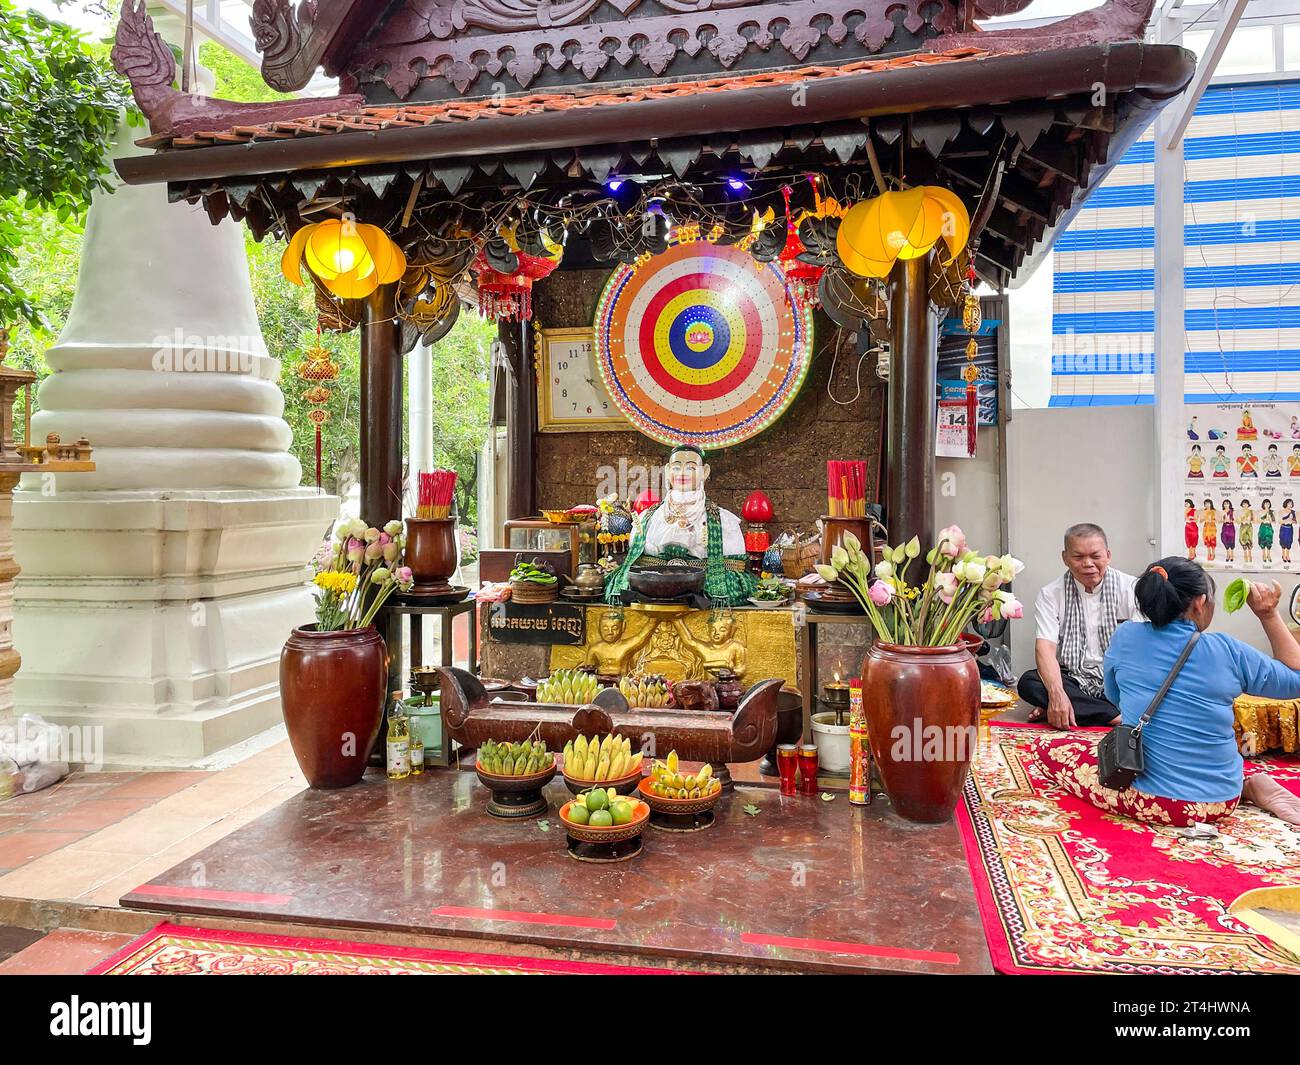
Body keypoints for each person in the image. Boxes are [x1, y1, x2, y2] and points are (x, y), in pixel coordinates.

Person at [1033, 559, 1300, 827]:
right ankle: (1246, 786)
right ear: (1199, 602)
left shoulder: (1125, 636)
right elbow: (1296, 680)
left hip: (1157, 802)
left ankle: (1243, 787)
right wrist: (1268, 615)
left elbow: (1115, 699)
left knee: (1046, 748)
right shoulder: (1227, 649)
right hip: (1223, 798)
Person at [1018, 523, 1140, 728]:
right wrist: (1056, 694)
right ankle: (1115, 717)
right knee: (1029, 683)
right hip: (1075, 678)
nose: (1088, 563)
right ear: (1065, 558)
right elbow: (1045, 648)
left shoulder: (1131, 588)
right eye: (1078, 557)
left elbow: (1142, 648)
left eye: (1095, 556)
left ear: (1108, 555)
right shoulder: (1051, 594)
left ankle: (1071, 709)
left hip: (1120, 677)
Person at [604, 443, 757, 606]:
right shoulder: (648, 518)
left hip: (702, 589)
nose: (683, 473)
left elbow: (733, 566)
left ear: (704, 472)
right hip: (651, 589)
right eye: (677, 467)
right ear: (668, 470)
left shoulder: (723, 521)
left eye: (691, 468)